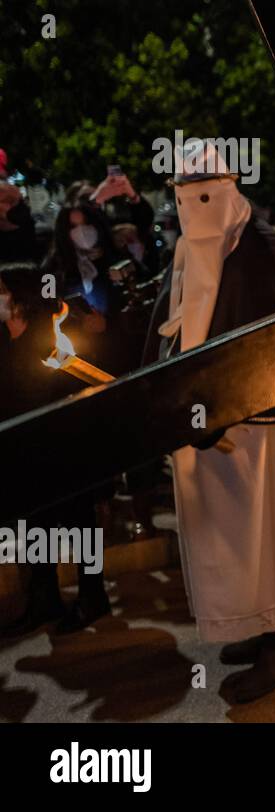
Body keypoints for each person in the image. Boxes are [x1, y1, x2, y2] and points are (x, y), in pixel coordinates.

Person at [143, 152, 275, 703]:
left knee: (272, 532)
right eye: (184, 196)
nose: (193, 209)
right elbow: (172, 323)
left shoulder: (266, 252)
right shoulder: (193, 247)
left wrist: (216, 410)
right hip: (214, 428)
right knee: (235, 538)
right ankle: (269, 623)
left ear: (228, 189)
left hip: (263, 428)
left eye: (203, 195)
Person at [0, 262, 114, 635]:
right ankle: (44, 597)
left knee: (80, 524)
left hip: (65, 450)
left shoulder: (50, 341)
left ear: (20, 299)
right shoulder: (5, 342)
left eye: (2, 291)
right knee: (36, 526)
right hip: (25, 452)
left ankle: (93, 596)